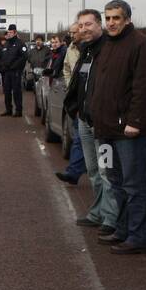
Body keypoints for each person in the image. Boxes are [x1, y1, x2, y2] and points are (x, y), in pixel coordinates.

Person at [87, 0, 146, 254]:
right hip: (105, 131)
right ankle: (124, 229)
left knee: (133, 184)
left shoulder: (141, 45)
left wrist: (135, 122)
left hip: (128, 133)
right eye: (108, 18)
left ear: (127, 19)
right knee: (115, 181)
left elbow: (144, 88)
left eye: (116, 18)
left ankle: (139, 237)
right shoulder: (107, 45)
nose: (111, 23)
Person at [64, 10, 118, 231]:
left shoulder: (109, 50)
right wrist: (76, 109)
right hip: (85, 122)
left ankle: (111, 217)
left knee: (108, 172)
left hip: (103, 125)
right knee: (94, 170)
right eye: (81, 25)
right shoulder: (85, 51)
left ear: (99, 25)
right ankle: (97, 212)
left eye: (89, 24)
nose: (84, 29)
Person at [56, 22, 85, 184]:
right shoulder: (71, 49)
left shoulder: (94, 48)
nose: (72, 35)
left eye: (74, 32)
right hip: (77, 99)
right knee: (78, 138)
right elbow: (66, 68)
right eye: (71, 32)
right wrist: (70, 84)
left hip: (95, 101)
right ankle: (73, 172)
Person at [0, 25, 27, 116]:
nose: (9, 34)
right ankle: (8, 109)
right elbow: (2, 57)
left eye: (11, 32)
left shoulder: (20, 43)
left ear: (15, 33)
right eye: (8, 32)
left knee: (16, 91)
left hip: (16, 72)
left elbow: (24, 57)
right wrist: (3, 66)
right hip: (6, 72)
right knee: (7, 91)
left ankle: (18, 110)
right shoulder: (6, 44)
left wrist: (15, 66)